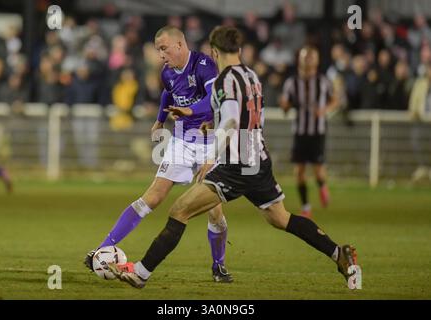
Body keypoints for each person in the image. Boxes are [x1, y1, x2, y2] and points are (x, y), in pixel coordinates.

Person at [107, 26, 359, 290]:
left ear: (214, 52)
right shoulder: (251, 76)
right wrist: (213, 128)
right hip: (257, 158)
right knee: (280, 218)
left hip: (234, 164)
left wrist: (211, 157)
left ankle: (141, 273)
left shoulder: (224, 80)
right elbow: (251, 120)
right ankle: (338, 253)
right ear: (239, 50)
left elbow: (228, 122)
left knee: (179, 210)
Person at [85, 26, 233, 283]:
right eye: (158, 50)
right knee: (152, 196)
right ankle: (101, 249)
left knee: (214, 212)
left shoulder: (204, 64)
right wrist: (159, 120)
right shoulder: (167, 72)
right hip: (182, 140)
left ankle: (218, 265)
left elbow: (211, 97)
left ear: (179, 44)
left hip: (211, 141)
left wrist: (189, 112)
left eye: (164, 48)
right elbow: (167, 93)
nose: (161, 54)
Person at [280, 46, 339, 218]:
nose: (308, 60)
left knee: (319, 170)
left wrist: (325, 109)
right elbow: (284, 102)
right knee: (299, 171)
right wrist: (285, 105)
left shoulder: (323, 81)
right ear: (300, 59)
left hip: (317, 131)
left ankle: (322, 185)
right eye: (306, 57)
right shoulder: (292, 82)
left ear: (317, 60)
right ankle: (306, 206)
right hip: (300, 131)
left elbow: (335, 100)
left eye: (312, 57)